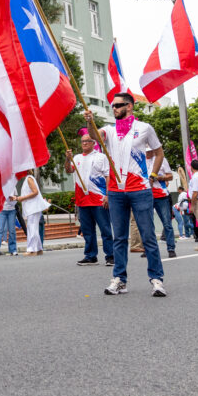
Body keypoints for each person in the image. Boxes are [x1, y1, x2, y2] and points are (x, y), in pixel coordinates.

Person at [85, 92, 167, 297]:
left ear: (129, 106)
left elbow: (159, 152)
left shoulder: (144, 128)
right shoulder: (109, 131)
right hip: (115, 191)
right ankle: (119, 279)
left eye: (118, 105)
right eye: (112, 105)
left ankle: (156, 279)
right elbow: (95, 136)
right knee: (119, 238)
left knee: (148, 236)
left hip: (139, 189)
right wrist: (89, 123)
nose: (114, 108)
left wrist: (154, 174)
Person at [67, 133, 113, 266]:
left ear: (94, 143)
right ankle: (91, 256)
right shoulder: (76, 157)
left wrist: (107, 195)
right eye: (82, 141)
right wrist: (67, 159)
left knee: (105, 229)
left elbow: (107, 176)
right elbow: (69, 170)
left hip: (98, 198)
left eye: (87, 141)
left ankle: (110, 256)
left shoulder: (101, 157)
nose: (84, 143)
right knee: (87, 231)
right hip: (82, 199)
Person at [11, 170, 50, 255]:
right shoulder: (28, 179)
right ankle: (39, 249)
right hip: (32, 207)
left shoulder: (29, 178)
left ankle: (31, 250)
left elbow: (35, 192)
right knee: (33, 228)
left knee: (31, 228)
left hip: (33, 207)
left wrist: (22, 198)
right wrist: (17, 198)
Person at [151, 157, 177, 258]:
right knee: (147, 225)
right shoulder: (140, 158)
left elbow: (170, 176)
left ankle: (171, 248)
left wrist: (160, 178)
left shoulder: (161, 159)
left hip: (161, 196)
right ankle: (149, 249)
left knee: (167, 223)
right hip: (146, 195)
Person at [0, 185, 18, 256]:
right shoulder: (0, 186)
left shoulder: (13, 185)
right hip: (1, 210)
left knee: (12, 230)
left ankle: (13, 250)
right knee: (0, 230)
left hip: (11, 210)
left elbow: (16, 197)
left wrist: (13, 198)